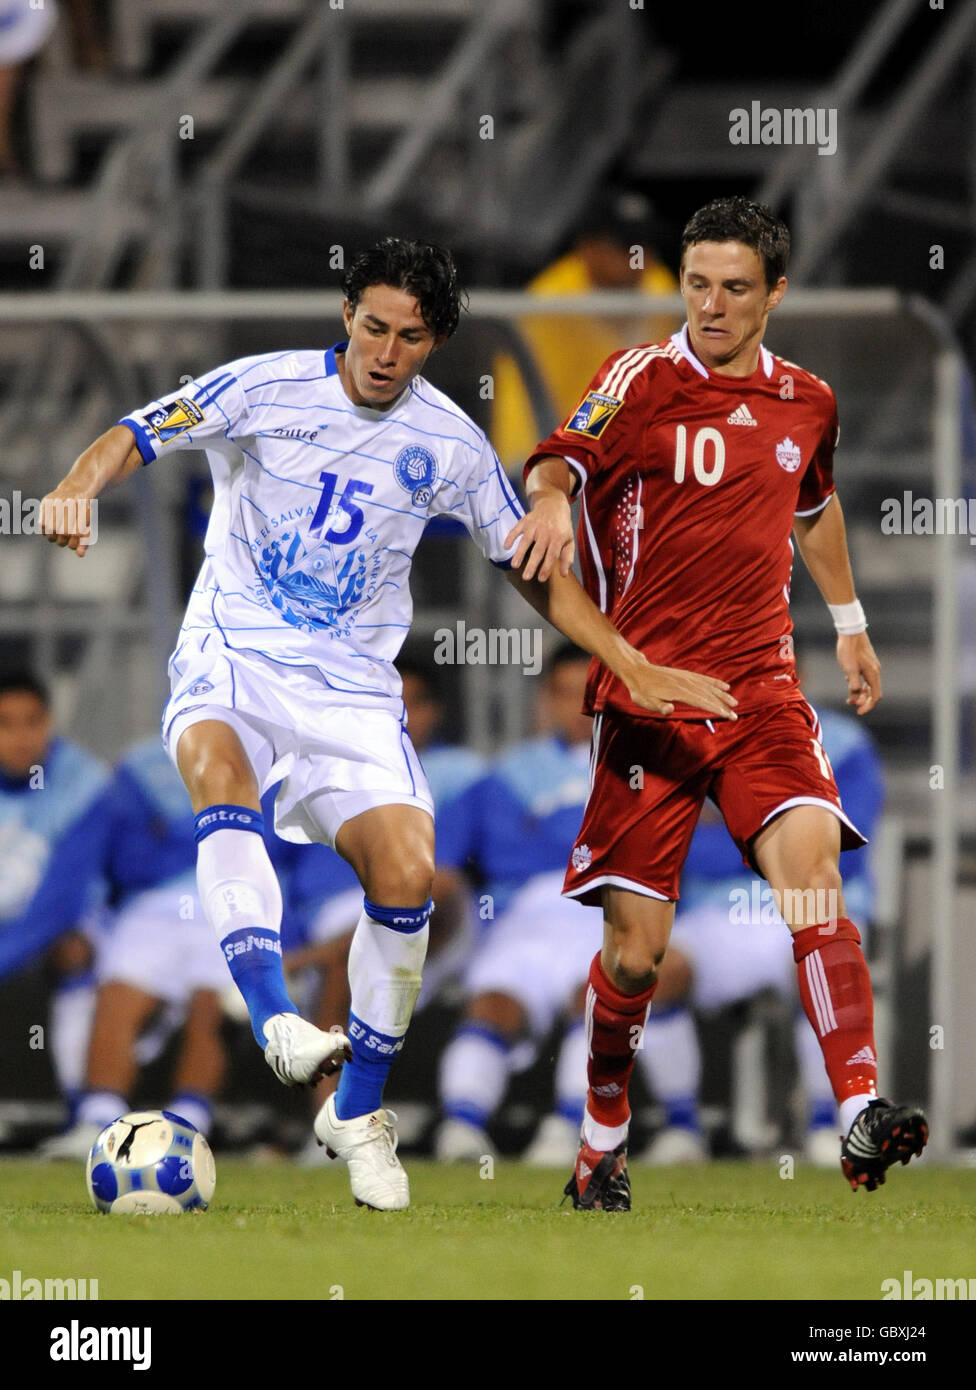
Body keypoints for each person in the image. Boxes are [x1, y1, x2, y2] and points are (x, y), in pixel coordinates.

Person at [40, 236, 736, 1210]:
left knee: (405, 874)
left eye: (410, 336)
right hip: (234, 655)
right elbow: (134, 432)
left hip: (355, 694)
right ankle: (277, 1016)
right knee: (215, 766)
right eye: (372, 325)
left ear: (433, 341)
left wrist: (624, 658)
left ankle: (357, 1113)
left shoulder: (450, 444)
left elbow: (531, 569)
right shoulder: (262, 387)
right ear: (346, 317)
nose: (384, 349)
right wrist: (77, 485)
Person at [510, 196, 928, 1210]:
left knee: (814, 877)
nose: (710, 304)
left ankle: (858, 1107)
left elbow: (812, 507)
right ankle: (601, 1135)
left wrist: (850, 618)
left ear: (773, 294)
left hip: (758, 695)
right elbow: (565, 453)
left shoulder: (806, 401)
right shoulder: (640, 378)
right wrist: (557, 497)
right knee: (634, 958)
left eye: (734, 287)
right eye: (695, 283)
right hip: (647, 699)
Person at [4, 738, 289, 1159]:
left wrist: (174, 837)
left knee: (212, 1003)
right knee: (118, 992)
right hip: (152, 906)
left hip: (238, 899)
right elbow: (125, 857)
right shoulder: (138, 768)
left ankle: (187, 1127)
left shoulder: (272, 760)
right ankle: (98, 1120)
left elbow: (280, 848)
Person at [432, 642, 601, 1161]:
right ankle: (460, 1129)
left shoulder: (645, 766)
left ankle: (568, 1129)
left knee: (594, 999)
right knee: (493, 1003)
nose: (579, 707)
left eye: (591, 694)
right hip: (521, 914)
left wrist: (543, 830)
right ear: (544, 701)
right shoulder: (506, 775)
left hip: (605, 909)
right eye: (565, 694)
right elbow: (453, 857)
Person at [491, 191, 680, 473]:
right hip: (558, 457)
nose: (640, 257)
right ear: (588, 248)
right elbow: (581, 402)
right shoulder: (554, 303)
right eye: (625, 246)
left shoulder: (660, 287)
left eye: (645, 244)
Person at [0, 669, 108, 1126]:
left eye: (33, 721)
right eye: (5, 724)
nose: (22, 738)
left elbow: (61, 900)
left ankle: (86, 1113)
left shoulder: (85, 783)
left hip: (65, 925)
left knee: (74, 952)